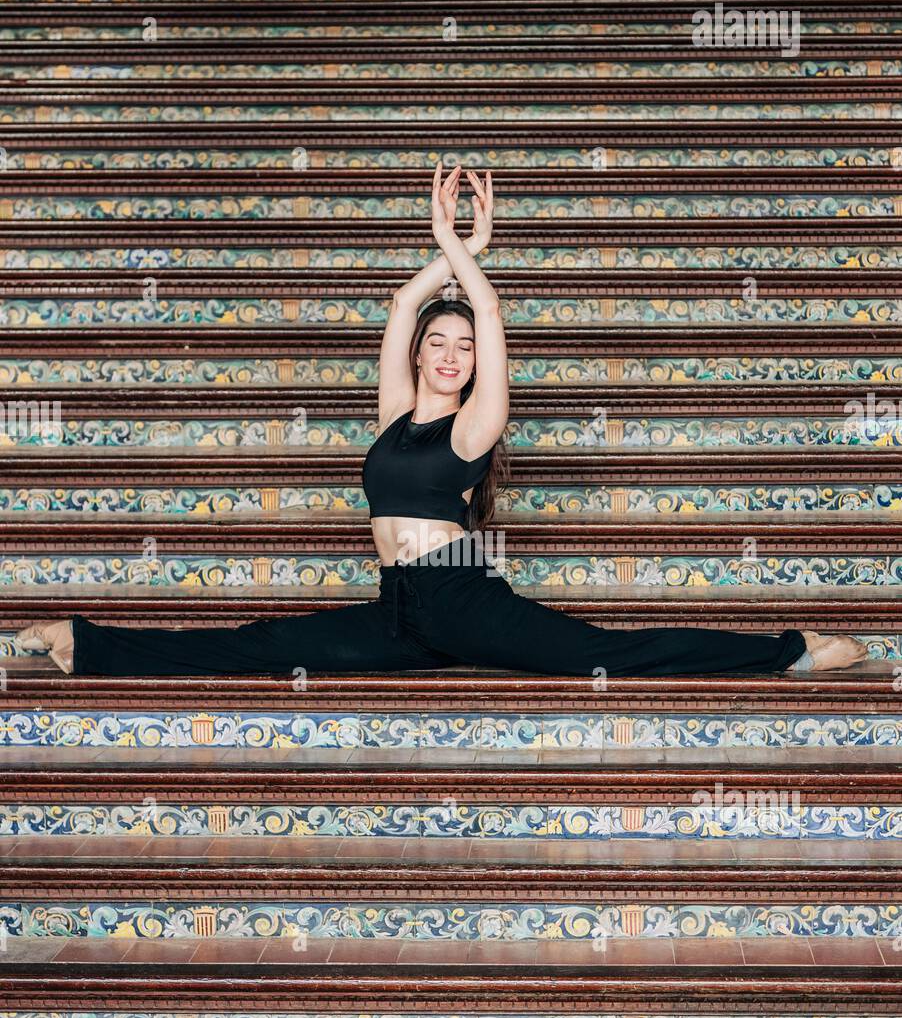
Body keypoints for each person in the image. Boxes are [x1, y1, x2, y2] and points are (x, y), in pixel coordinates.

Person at [17, 164, 866, 679]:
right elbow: (399, 303)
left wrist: (470, 257)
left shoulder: (474, 427)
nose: (456, 353)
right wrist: (443, 249)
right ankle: (83, 642)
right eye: (443, 342)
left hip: (465, 604)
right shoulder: (395, 418)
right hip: (397, 611)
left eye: (467, 346)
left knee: (599, 653)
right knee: (262, 642)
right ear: (421, 353)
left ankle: (790, 647)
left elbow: (488, 313)